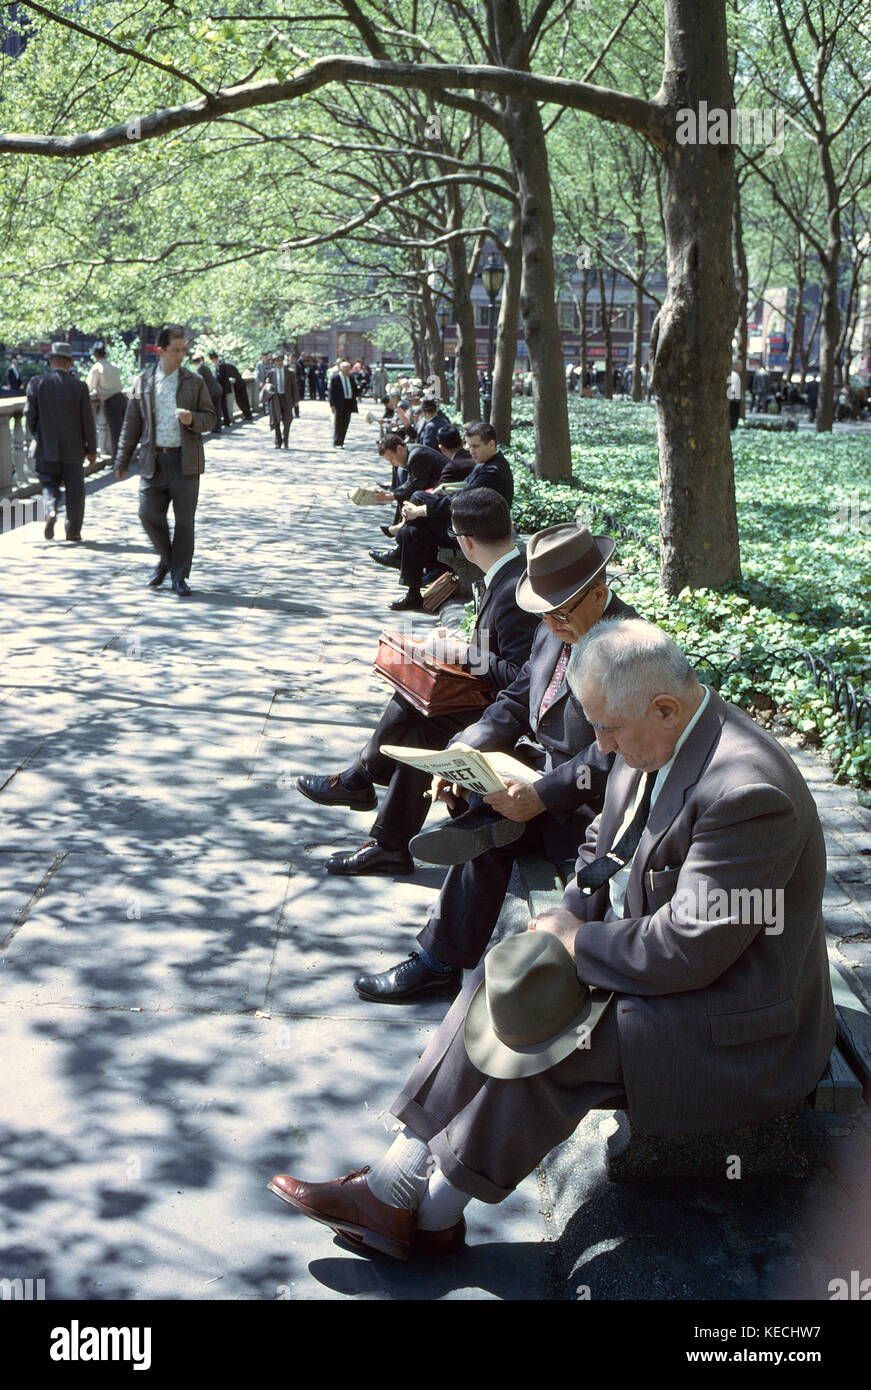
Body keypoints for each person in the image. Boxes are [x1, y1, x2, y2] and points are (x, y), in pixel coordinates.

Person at [270, 619, 836, 1261]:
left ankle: (426, 1214)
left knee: (560, 1044)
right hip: (671, 967)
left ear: (666, 706)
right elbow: (603, 845)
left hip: (738, 1021)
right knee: (504, 977)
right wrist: (563, 922)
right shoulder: (653, 735)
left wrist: (575, 944)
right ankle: (394, 1189)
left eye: (608, 730)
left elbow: (687, 949)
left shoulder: (748, 793)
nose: (599, 746)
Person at [353, 522, 638, 1002]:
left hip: (600, 804)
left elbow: (618, 751)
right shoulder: (555, 629)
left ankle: (438, 958)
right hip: (544, 769)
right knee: (480, 796)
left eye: (561, 614)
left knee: (493, 829)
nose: (551, 625)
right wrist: (463, 750)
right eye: (543, 615)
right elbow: (516, 697)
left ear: (599, 594)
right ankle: (439, 949)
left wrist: (544, 795)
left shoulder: (630, 651)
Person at [298, 489, 540, 875]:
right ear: (509, 526)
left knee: (416, 708)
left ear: (463, 541)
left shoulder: (512, 587)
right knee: (417, 711)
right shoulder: (512, 570)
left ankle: (362, 782)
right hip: (496, 704)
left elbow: (523, 678)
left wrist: (464, 654)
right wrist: (460, 646)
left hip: (514, 720)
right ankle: (386, 839)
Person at [114, 326, 215, 596]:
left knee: (184, 523)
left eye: (183, 350)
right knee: (147, 514)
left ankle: (179, 576)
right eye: (175, 351)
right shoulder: (141, 383)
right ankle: (167, 559)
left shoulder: (195, 382)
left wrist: (193, 419)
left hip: (185, 462)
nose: (181, 356)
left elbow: (211, 417)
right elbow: (131, 424)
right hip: (153, 461)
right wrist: (121, 461)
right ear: (160, 351)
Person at [375, 421, 514, 612]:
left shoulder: (493, 470)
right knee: (415, 513)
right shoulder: (484, 463)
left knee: (412, 527)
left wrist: (421, 511)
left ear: (491, 444)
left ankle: (408, 573)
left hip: (476, 531)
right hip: (465, 521)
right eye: (468, 445)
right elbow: (460, 490)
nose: (470, 450)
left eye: (475, 446)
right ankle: (412, 588)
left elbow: (460, 501)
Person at [25, 341, 96, 541]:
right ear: (69, 363)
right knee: (76, 490)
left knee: (48, 482)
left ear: (50, 361)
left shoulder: (36, 383)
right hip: (74, 449)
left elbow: (30, 415)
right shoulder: (79, 387)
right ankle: (73, 531)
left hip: (46, 446)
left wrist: (38, 434)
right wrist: (92, 449)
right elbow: (87, 421)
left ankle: (50, 510)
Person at [87, 342, 128, 460]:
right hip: (121, 398)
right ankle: (123, 458)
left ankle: (117, 461)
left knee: (115, 434)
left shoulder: (97, 368)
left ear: (94, 355)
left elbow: (89, 387)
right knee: (121, 432)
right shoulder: (113, 365)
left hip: (111, 401)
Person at [261, 351, 300, 449]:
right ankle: (278, 441)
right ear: (274, 362)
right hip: (275, 399)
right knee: (276, 420)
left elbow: (294, 387)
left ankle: (286, 441)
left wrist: (296, 400)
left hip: (287, 399)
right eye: (277, 361)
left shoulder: (290, 373)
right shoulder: (270, 374)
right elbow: (266, 387)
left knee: (287, 421)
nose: (279, 362)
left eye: (280, 360)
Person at [329, 359, 359, 447]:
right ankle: (336, 441)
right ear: (341, 369)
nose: (348, 371)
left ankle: (341, 441)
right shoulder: (335, 379)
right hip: (339, 404)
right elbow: (331, 393)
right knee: (338, 423)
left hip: (349, 403)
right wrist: (332, 405)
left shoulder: (351, 378)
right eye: (346, 369)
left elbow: (355, 390)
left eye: (349, 369)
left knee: (346, 423)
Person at [192, 355, 223, 435]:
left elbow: (199, 381)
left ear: (195, 363)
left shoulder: (200, 368)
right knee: (217, 410)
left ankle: (215, 428)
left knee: (213, 410)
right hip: (217, 390)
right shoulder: (205, 366)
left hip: (212, 392)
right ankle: (217, 428)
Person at [727, 365, 742, 431]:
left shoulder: (732, 374)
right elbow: (734, 387)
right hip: (734, 398)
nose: (741, 367)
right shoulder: (735, 375)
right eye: (740, 366)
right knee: (734, 415)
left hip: (732, 398)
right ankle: (732, 428)